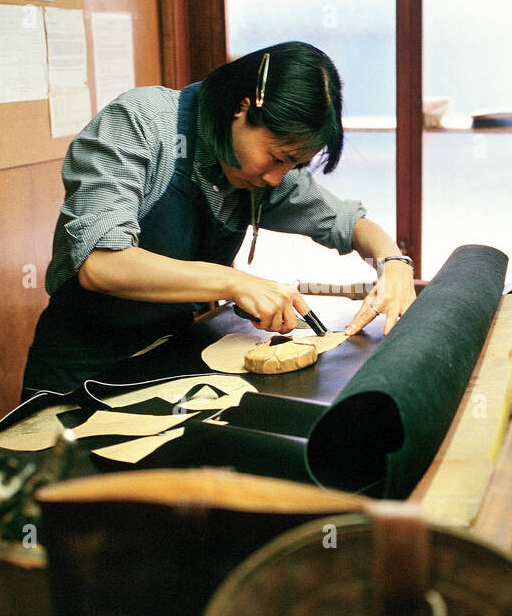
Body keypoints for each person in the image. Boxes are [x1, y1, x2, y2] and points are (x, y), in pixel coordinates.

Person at [22, 41, 416, 396]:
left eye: (294, 164)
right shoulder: (140, 122)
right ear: (242, 108)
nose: (277, 178)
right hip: (78, 364)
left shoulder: (263, 175)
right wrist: (236, 282)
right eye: (278, 157)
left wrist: (393, 262)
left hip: (169, 353)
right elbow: (101, 264)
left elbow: (348, 224)